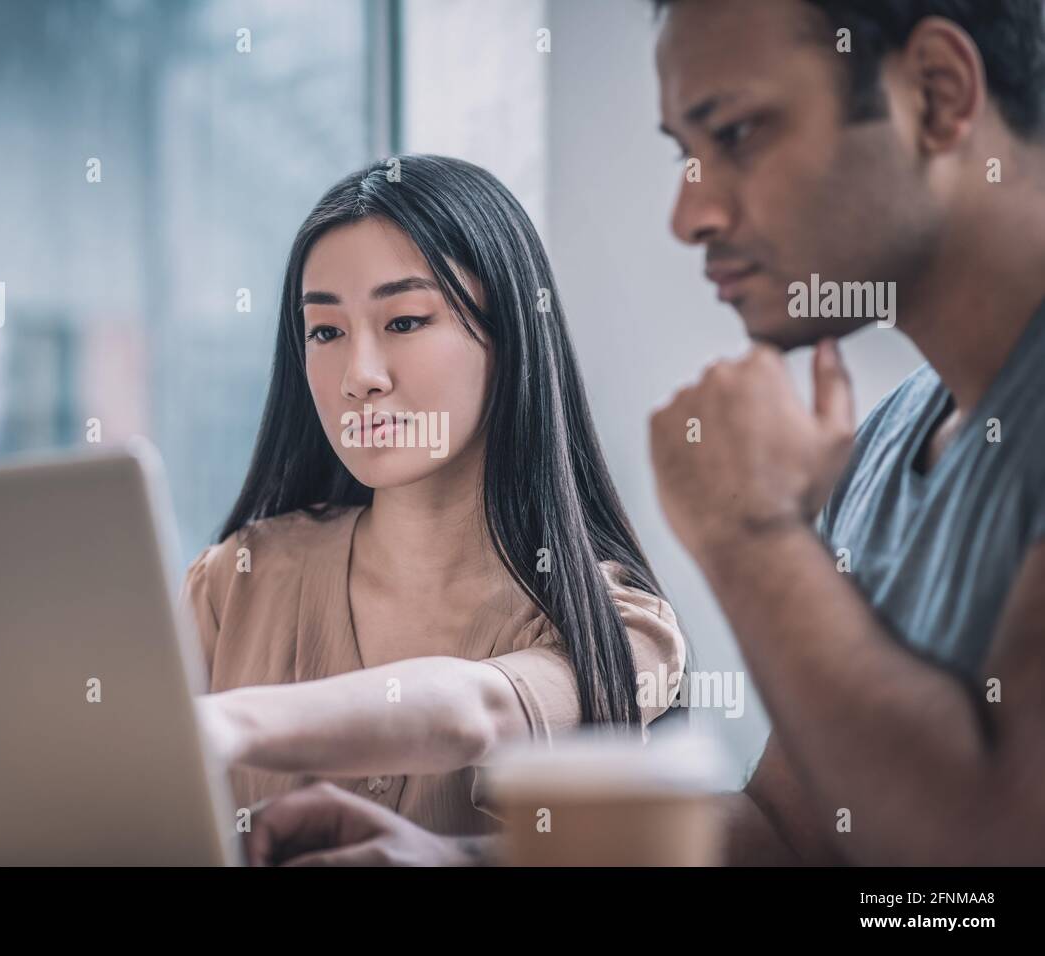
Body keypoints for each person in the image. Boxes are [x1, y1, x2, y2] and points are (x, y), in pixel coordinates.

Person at [245, 0, 1045, 866]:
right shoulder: (890, 440)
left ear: (936, 93)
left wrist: (751, 535)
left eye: (735, 133)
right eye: (684, 153)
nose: (688, 216)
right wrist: (450, 863)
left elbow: (988, 854)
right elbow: (792, 834)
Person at [183, 154, 686, 839]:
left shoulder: (620, 630)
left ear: (510, 335)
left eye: (406, 321)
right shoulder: (234, 581)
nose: (359, 377)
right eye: (326, 331)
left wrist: (225, 724)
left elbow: (476, 711)